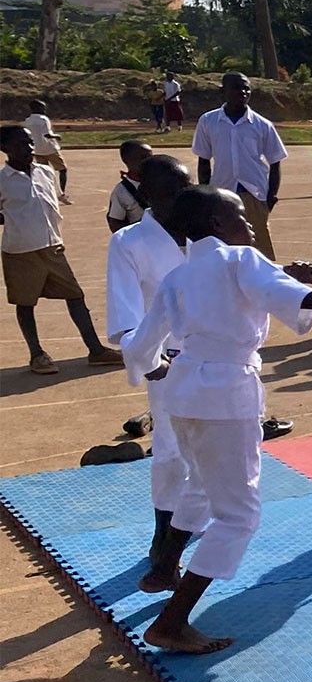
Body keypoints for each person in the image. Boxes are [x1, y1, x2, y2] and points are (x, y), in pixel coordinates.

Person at [123, 186, 312, 654]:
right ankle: (172, 621)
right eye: (240, 215)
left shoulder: (178, 277)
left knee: (201, 485)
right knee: (240, 515)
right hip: (225, 392)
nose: (249, 224)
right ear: (218, 224)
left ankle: (164, 565)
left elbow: (140, 345)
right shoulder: (240, 257)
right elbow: (279, 292)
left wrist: (152, 368)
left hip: (182, 391)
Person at [106, 155, 194, 584]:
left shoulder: (210, 230)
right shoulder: (128, 242)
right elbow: (125, 319)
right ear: (146, 195)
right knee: (171, 448)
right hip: (166, 360)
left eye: (186, 187)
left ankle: (194, 521)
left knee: (219, 447)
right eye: (170, 191)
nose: (182, 198)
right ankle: (164, 534)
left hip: (219, 358)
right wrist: (148, 360)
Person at [2, 124, 121, 375]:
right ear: (4, 149)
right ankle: (37, 354)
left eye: (30, 142)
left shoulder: (45, 171)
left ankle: (96, 350)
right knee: (25, 303)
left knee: (75, 295)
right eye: (21, 144)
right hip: (21, 250)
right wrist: (14, 220)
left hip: (53, 247)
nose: (29, 148)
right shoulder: (3, 181)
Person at [192, 72, 287, 259]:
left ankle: (261, 285)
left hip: (254, 193)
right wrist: (206, 194)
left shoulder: (262, 125)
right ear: (223, 92)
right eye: (236, 87)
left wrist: (271, 196)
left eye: (246, 88)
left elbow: (275, 162)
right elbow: (204, 161)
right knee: (223, 243)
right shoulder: (208, 121)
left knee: (259, 245)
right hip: (222, 192)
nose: (243, 92)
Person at [24, 98, 70, 204]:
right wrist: (57, 136)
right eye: (42, 108)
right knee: (62, 169)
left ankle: (46, 193)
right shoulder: (43, 119)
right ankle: (62, 194)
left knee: (44, 172)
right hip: (49, 149)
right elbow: (47, 134)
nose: (44, 110)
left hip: (37, 150)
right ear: (37, 108)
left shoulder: (28, 120)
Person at [107, 139, 151, 231]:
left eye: (150, 157)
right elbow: (115, 222)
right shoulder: (121, 191)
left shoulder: (162, 181)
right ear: (127, 160)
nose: (149, 162)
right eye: (143, 158)